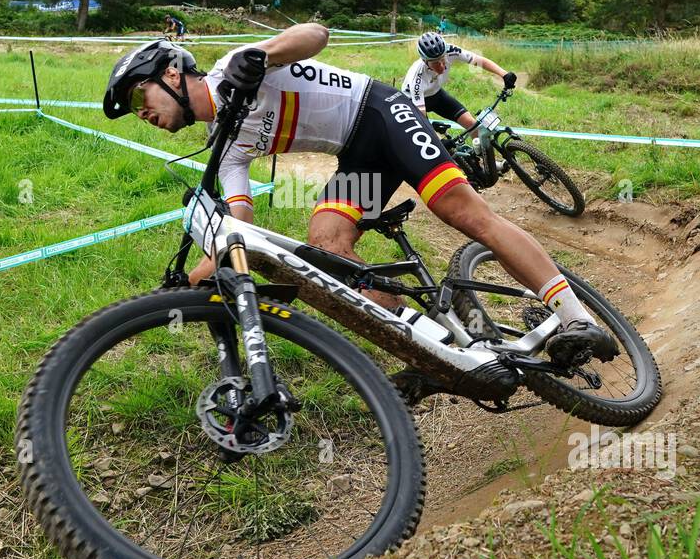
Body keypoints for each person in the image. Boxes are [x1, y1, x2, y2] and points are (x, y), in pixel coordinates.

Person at [102, 25, 616, 367]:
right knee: (327, 246)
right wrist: (189, 287)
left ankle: (578, 318)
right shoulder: (227, 146)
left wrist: (260, 55)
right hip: (358, 157)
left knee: (465, 215)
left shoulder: (236, 67)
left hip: (384, 114)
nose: (139, 114)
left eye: (137, 97)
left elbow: (316, 34)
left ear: (171, 73)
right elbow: (240, 232)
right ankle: (429, 348)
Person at [401, 31, 514, 143]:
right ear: (425, 61)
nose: (442, 65)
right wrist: (436, 139)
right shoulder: (417, 76)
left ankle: (483, 158)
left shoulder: (450, 50)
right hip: (413, 103)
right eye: (435, 62)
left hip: (436, 94)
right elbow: (422, 116)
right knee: (435, 143)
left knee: (473, 126)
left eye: (443, 58)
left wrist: (504, 74)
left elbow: (478, 61)